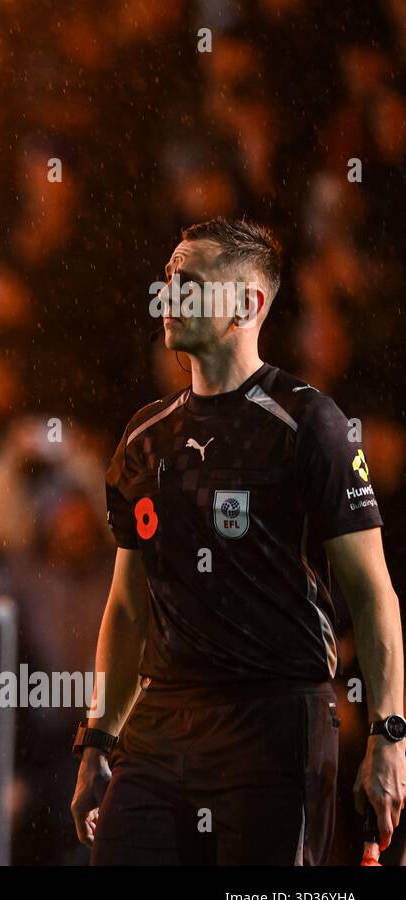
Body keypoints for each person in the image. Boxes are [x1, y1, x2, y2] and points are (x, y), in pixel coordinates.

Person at [71, 218, 405, 865]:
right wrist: (98, 739)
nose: (168, 297)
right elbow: (128, 607)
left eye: (189, 284)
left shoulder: (311, 424)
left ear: (247, 304)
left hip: (275, 724)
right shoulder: (144, 439)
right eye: (168, 280)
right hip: (160, 726)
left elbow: (373, 596)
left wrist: (389, 737)